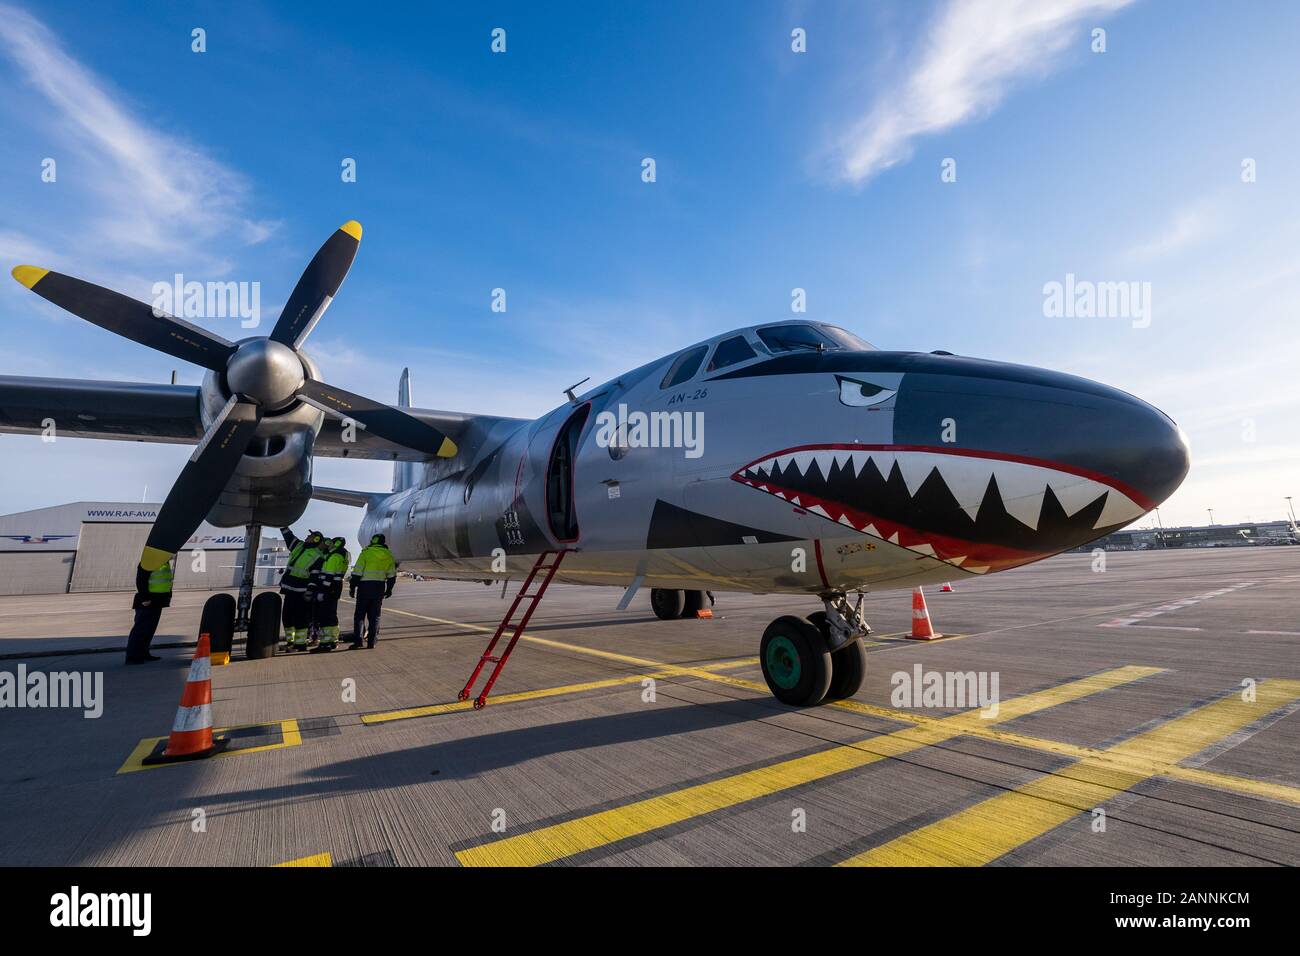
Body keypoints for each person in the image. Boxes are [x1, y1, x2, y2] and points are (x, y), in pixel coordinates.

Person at [279, 527, 326, 650]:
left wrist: (310, 591)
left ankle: (300, 644)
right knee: (287, 617)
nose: (306, 537)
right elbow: (289, 537)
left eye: (309, 536)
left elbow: (315, 576)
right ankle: (291, 642)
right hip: (289, 589)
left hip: (301, 591)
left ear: (315, 539)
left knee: (300, 618)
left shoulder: (317, 556)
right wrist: (283, 526)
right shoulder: (299, 546)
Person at [349, 533, 396, 649]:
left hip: (364, 587)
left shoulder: (366, 552)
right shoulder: (388, 555)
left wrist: (352, 587)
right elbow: (391, 575)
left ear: (373, 540)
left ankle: (358, 641)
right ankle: (372, 642)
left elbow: (357, 572)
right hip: (379, 586)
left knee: (360, 616)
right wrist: (389, 589)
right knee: (375, 616)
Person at [126, 555, 174, 664]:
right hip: (147, 602)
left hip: (157, 601)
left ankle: (143, 653)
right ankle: (132, 657)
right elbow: (141, 579)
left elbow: (166, 580)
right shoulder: (149, 560)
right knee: (140, 630)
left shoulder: (164, 562)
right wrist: (145, 598)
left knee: (149, 630)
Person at [308, 537, 350, 651]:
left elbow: (329, 576)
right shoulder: (342, 555)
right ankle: (332, 640)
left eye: (331, 543)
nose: (328, 544)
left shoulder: (334, 557)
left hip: (328, 588)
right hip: (335, 588)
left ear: (335, 544)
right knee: (332, 616)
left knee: (325, 616)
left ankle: (325, 643)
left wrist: (322, 591)